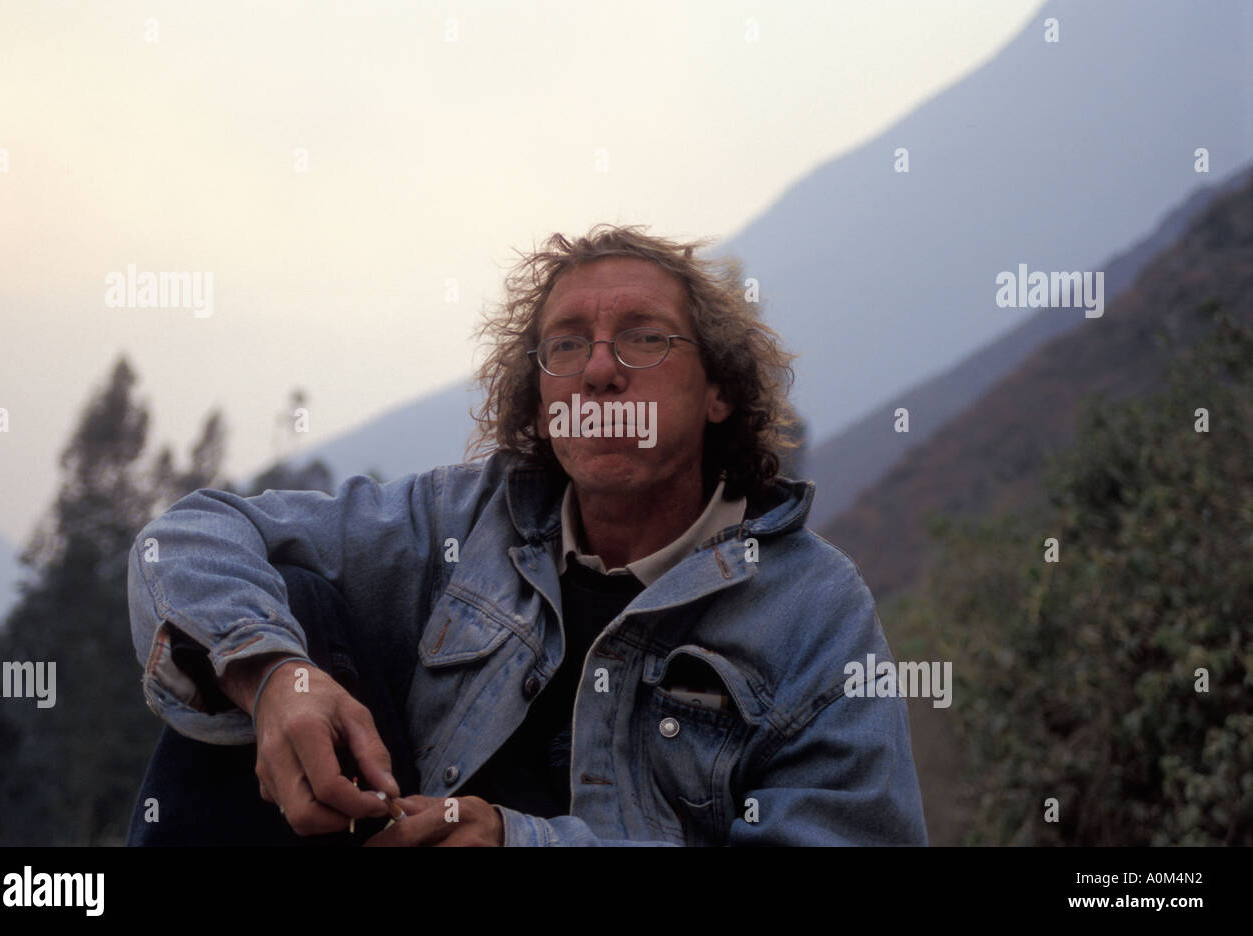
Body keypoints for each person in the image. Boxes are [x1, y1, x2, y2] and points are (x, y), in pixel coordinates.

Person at [126, 224, 929, 846]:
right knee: (286, 606)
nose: (600, 370)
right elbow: (192, 538)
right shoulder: (463, 521)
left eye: (645, 337)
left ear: (718, 390)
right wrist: (269, 675)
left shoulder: (814, 611)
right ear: (541, 398)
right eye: (567, 344)